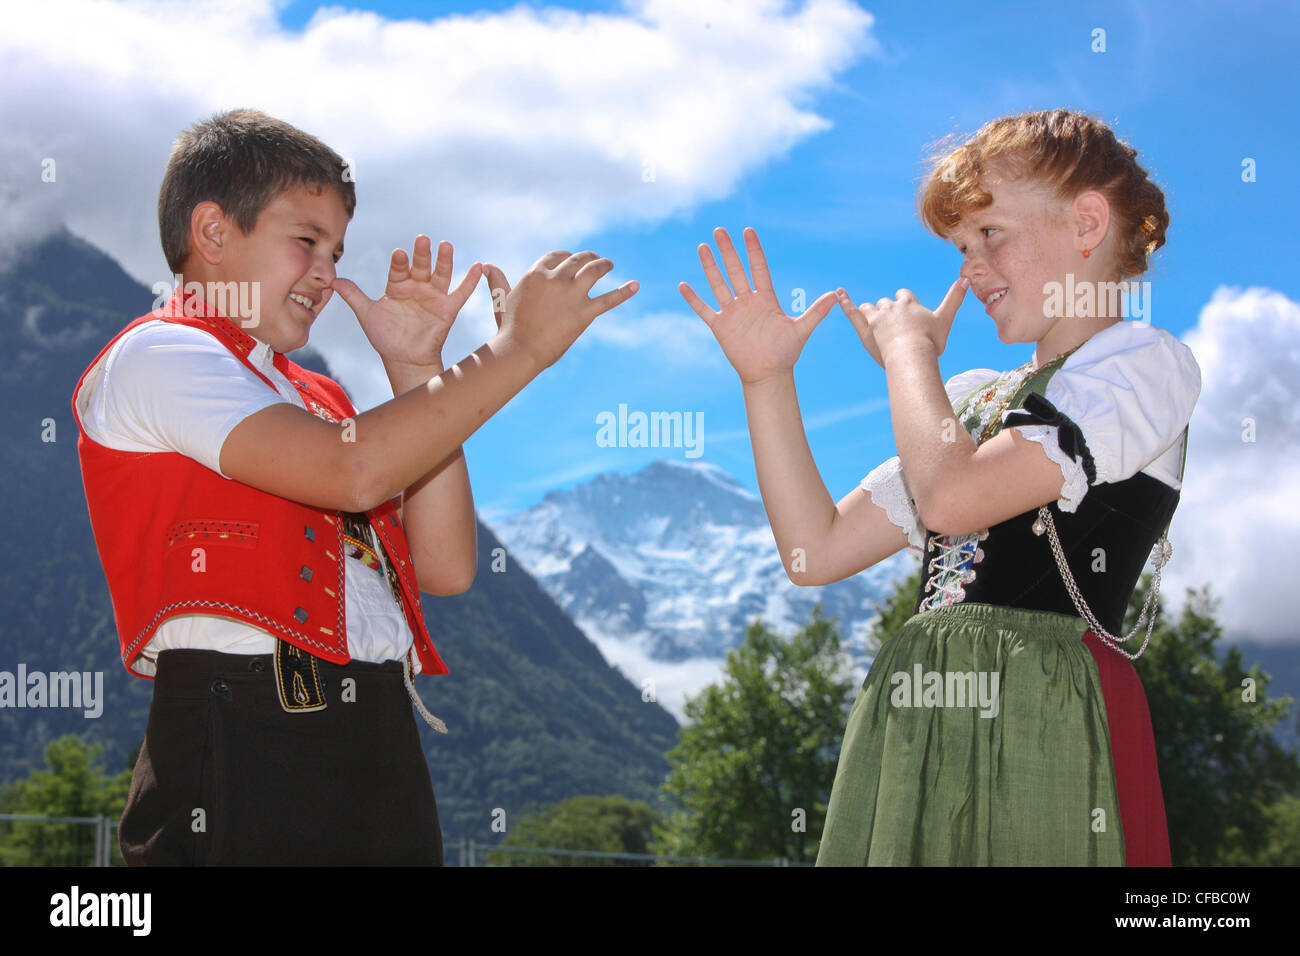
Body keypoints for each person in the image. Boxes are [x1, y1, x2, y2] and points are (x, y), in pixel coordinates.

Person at [71, 108, 638, 865]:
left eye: (336, 252)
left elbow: (444, 565)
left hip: (377, 731)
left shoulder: (323, 401)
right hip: (243, 728)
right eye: (305, 241)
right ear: (211, 233)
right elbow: (354, 470)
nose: (328, 273)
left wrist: (415, 370)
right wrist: (521, 349)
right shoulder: (160, 353)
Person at [679, 108, 1199, 866]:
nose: (969, 268)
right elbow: (810, 552)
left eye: (990, 235)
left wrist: (906, 358)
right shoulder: (976, 399)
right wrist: (767, 379)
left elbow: (953, 497)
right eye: (960, 248)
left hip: (1043, 710)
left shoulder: (1144, 363)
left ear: (1088, 222)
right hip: (920, 713)